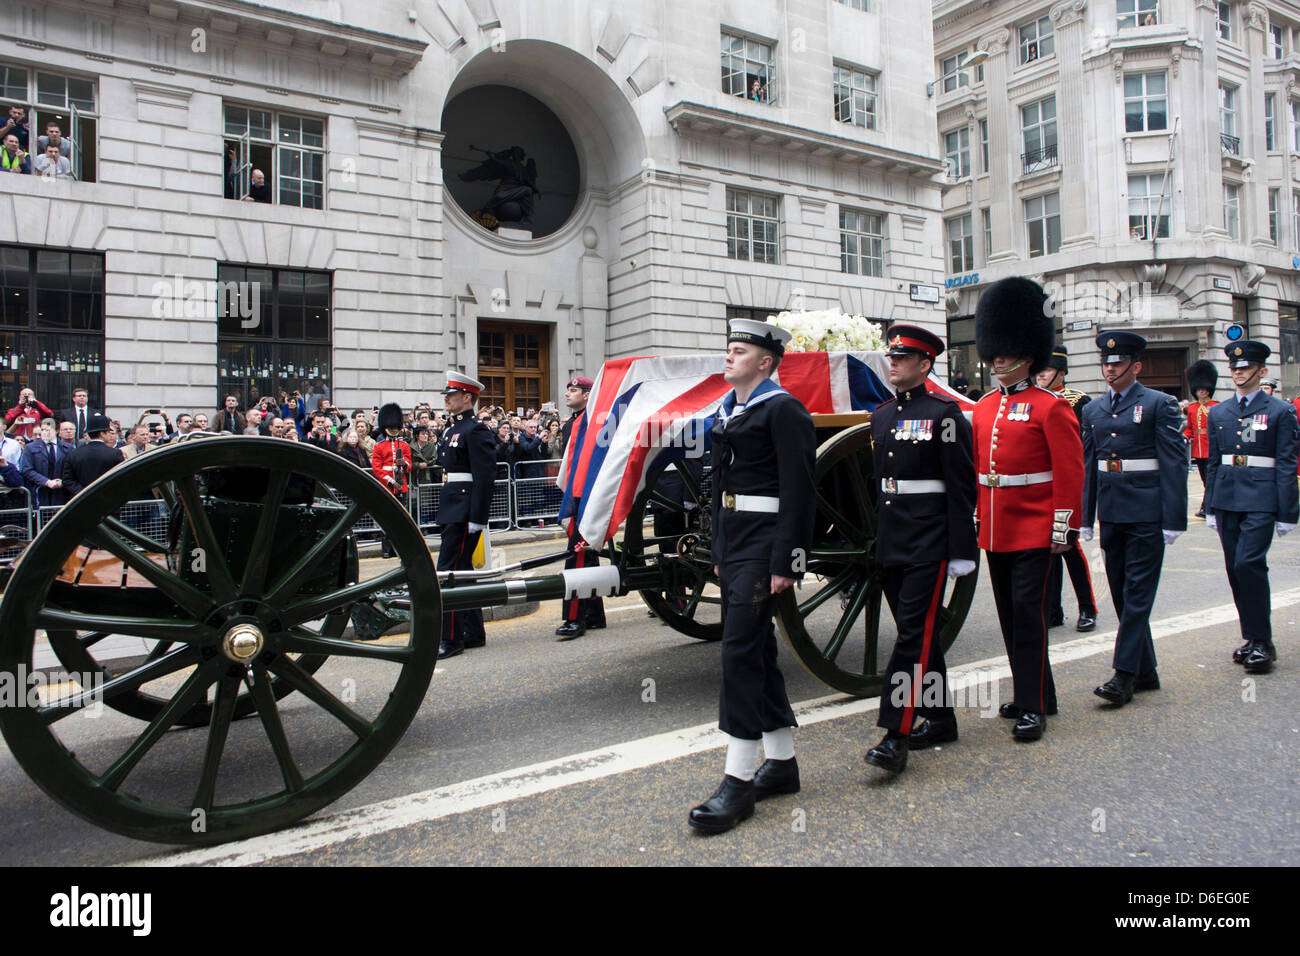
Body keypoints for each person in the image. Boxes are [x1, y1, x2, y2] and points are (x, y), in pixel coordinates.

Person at [688, 319, 815, 835]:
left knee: (738, 653)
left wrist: (788, 561)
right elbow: (720, 487)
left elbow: (801, 490)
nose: (728, 357)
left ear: (765, 362)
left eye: (738, 351)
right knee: (757, 650)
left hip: (765, 545)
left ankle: (737, 782)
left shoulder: (782, 409)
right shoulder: (730, 410)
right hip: (736, 544)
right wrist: (718, 547)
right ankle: (781, 764)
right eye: (729, 349)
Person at [971, 278, 1083, 742]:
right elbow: (980, 471)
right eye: (995, 351)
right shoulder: (983, 407)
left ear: (1027, 354)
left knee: (1028, 614)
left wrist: (1064, 525)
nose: (998, 359)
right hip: (997, 527)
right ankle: (1036, 693)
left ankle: (1032, 706)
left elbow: (1070, 472)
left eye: (1007, 351)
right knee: (1008, 613)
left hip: (1036, 526)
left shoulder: (1050, 408)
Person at [863, 325, 977, 775]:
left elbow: (961, 487)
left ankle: (896, 734)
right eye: (891, 356)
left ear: (925, 364)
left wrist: (961, 549)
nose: (893, 362)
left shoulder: (944, 415)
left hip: (929, 541)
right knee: (920, 635)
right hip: (894, 540)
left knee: (911, 636)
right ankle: (942, 717)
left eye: (903, 357)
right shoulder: (882, 416)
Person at [1080, 331, 1188, 706]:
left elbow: (1174, 463)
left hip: (1146, 512)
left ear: (1136, 366)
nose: (1110, 369)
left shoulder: (1160, 404)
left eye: (1118, 363)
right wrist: (1085, 516)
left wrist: (1174, 518)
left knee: (1138, 594)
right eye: (1106, 363)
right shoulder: (1093, 410)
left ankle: (1123, 675)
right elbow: (1089, 466)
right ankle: (1146, 670)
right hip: (1112, 511)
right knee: (1124, 595)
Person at [1204, 341, 1299, 674]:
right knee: (1234, 568)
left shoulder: (1280, 411)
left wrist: (1289, 510)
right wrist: (1210, 505)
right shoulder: (1219, 411)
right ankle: (1253, 637)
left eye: (1246, 367)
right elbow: (1213, 461)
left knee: (1249, 563)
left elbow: (1287, 462)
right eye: (1235, 367)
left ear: (1262, 371)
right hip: (1227, 497)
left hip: (1262, 497)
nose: (1239, 372)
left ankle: (1262, 642)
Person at [1036, 345, 1099, 632]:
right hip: (1042, 483)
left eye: (1046, 370)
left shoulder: (1078, 401)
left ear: (1060, 372)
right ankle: (1052, 609)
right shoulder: (1034, 400)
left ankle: (1087, 607)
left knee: (1070, 547)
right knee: (1047, 549)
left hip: (1067, 480)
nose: (1040, 375)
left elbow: (1085, 448)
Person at [435, 372, 497, 658]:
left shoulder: (476, 430)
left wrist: (477, 516)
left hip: (464, 509)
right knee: (463, 572)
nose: (446, 399)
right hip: (452, 505)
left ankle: (451, 638)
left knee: (449, 573)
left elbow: (485, 478)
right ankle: (472, 632)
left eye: (452, 394)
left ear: (467, 397)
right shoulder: (450, 431)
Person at [555, 375, 607, 640]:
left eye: (573, 390)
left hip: (585, 495)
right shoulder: (572, 424)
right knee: (587, 556)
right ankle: (595, 615)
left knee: (575, 556)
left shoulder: (592, 420)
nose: (567, 394)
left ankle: (575, 618)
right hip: (576, 492)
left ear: (587, 395)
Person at [370, 403, 411, 559]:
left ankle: (398, 548)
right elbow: (377, 468)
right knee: (386, 519)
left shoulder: (404, 446)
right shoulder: (379, 446)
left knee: (401, 520)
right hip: (387, 487)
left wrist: (404, 465)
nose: (394, 429)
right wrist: (389, 482)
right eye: (391, 426)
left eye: (396, 426)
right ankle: (387, 549)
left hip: (402, 486)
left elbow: (409, 465)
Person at [1183, 360, 1219, 518]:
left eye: (1204, 390)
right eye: (1198, 390)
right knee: (1205, 480)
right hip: (1198, 448)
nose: (1201, 392)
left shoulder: (1216, 406)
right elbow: (1190, 428)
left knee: (1211, 479)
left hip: (1211, 447)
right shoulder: (1192, 408)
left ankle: (1207, 507)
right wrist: (1183, 439)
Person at [62, 414, 124, 496]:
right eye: (108, 432)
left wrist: (83, 493)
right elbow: (121, 478)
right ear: (102, 434)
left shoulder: (74, 454)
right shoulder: (115, 453)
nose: (110, 435)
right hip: (107, 501)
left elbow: (67, 480)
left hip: (81, 502)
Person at [21, 419, 71, 508]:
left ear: (56, 431)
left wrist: (63, 481)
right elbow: (26, 470)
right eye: (43, 430)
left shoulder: (68, 448)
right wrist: (46, 482)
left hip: (61, 495)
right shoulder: (30, 447)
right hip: (39, 495)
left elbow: (72, 469)